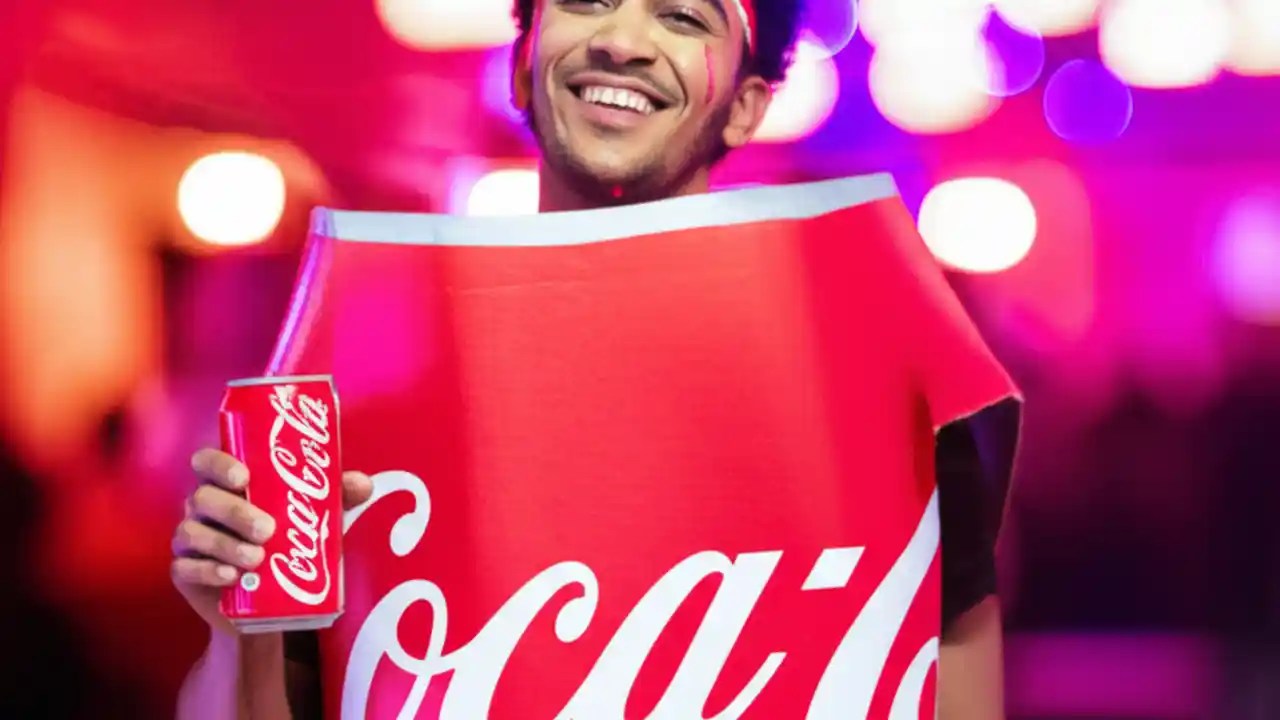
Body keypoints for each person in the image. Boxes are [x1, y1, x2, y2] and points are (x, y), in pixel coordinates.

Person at [173, 0, 1014, 717]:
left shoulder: (876, 392)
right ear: (520, 63)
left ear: (747, 107)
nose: (622, 39)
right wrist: (228, 627)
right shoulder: (368, 386)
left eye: (682, 15)